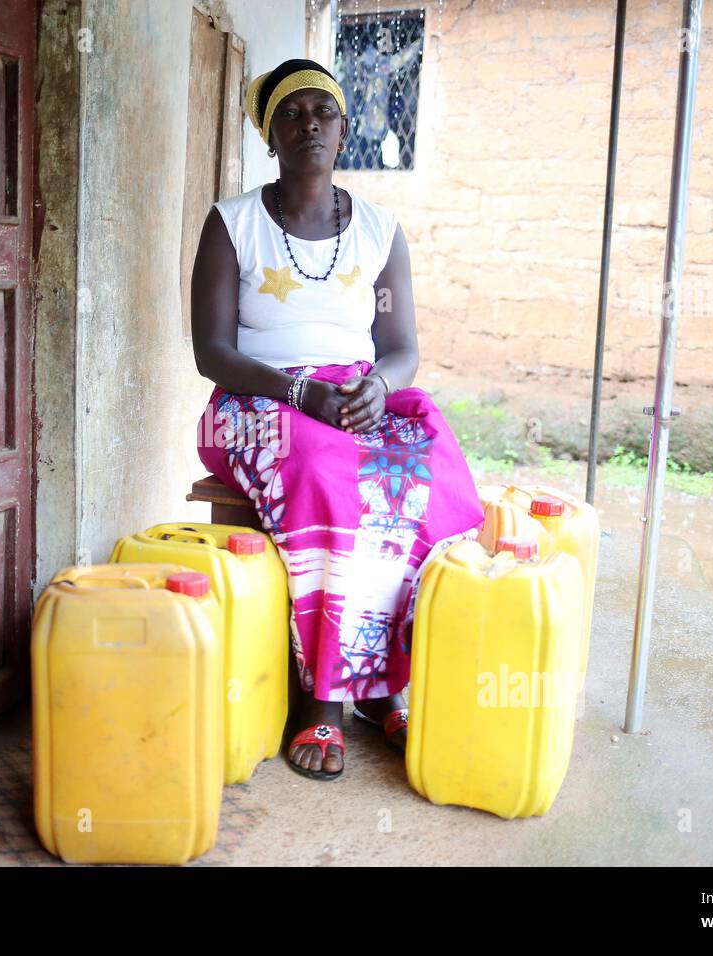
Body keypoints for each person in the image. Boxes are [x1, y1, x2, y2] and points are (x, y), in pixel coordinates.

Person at [190, 58, 483, 781]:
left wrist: (380, 389)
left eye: (324, 111)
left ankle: (386, 681)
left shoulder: (381, 232)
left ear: (345, 128)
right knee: (327, 472)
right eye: (292, 113)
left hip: (352, 395)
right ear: (270, 135)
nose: (310, 123)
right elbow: (211, 351)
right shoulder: (233, 224)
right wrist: (297, 393)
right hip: (254, 404)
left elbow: (402, 349)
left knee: (426, 472)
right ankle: (323, 698)